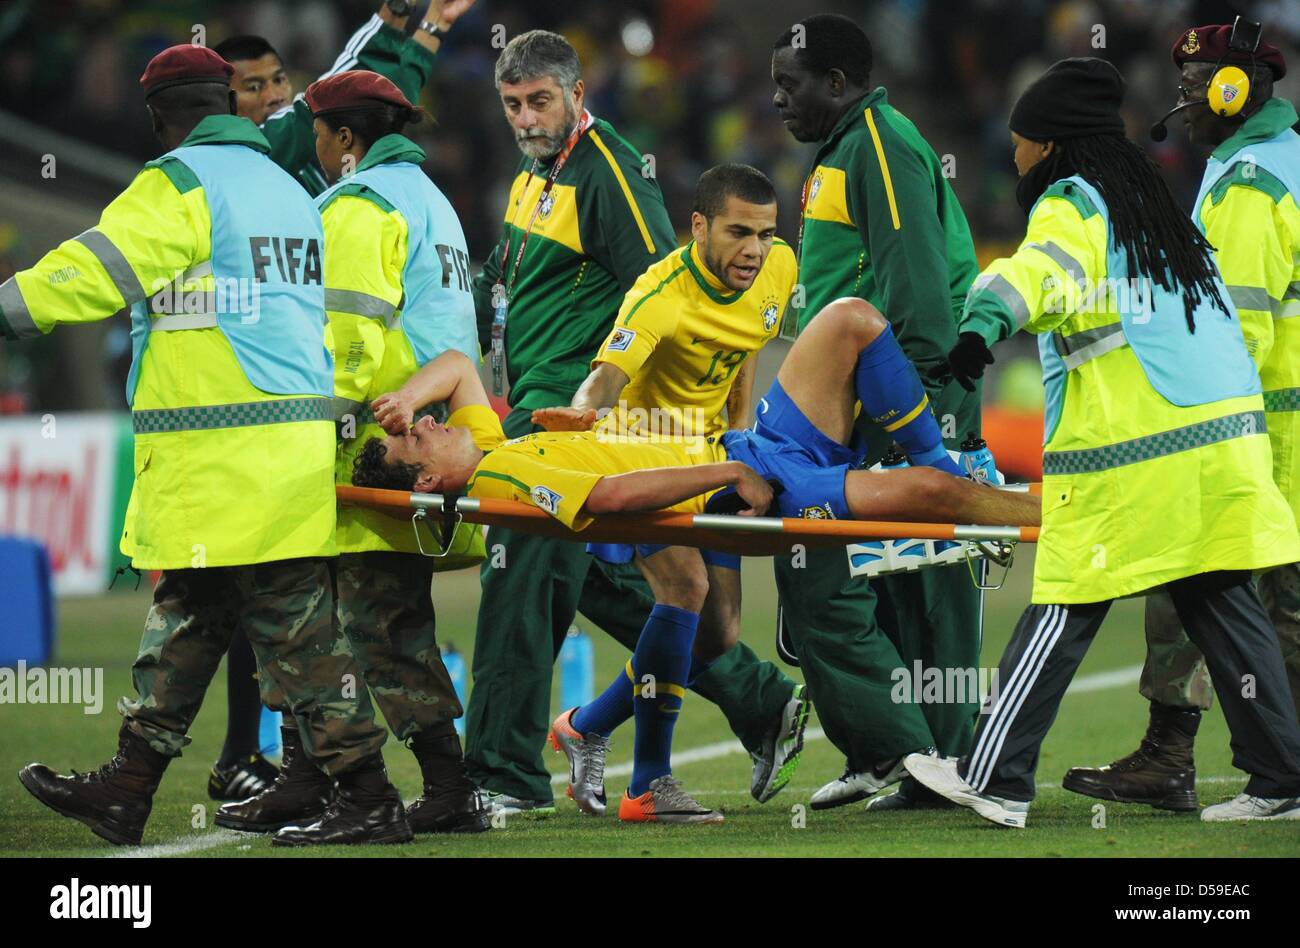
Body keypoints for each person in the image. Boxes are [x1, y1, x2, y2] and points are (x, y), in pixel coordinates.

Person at [353, 296, 1042, 821]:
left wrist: (406, 399)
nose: (428, 423)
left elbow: (456, 368)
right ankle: (1057, 514)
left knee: (850, 319)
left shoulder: (485, 441)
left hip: (745, 444)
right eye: (416, 439)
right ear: (425, 482)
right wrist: (721, 475)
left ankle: (601, 737)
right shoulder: (500, 480)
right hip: (738, 480)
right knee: (928, 495)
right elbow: (615, 494)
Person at [6, 46, 410, 847]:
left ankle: (368, 795)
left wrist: (10, 306)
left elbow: (97, 269)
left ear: (158, 116)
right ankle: (128, 785)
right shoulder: (292, 194)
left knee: (300, 636)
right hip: (284, 448)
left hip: (226, 459)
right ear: (225, 101)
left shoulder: (181, 183)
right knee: (190, 619)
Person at [907, 57, 1300, 828]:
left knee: (1062, 605)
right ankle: (1282, 774)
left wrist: (982, 325)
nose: (1013, 155)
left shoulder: (1073, 202)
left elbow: (1041, 270)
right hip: (1223, 442)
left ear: (1048, 145)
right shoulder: (1153, 206)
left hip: (1139, 453)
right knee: (1220, 598)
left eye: (1021, 141)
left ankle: (996, 775)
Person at [467, 30, 803, 815]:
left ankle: (505, 775)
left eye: (540, 101)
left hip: (582, 428)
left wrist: (666, 424)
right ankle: (757, 703)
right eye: (513, 105)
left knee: (520, 585)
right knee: (620, 585)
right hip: (544, 412)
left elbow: (680, 300)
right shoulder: (533, 176)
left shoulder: (610, 172)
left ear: (576, 95)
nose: (525, 118)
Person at [201, 0, 475, 803]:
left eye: (317, 133)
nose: (311, 149)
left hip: (366, 445)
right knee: (374, 627)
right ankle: (321, 778)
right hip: (425, 443)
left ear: (344, 138)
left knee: (342, 627)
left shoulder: (359, 206)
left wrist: (300, 434)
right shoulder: (430, 197)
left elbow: (345, 349)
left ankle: (388, 787)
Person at [1063, 21, 1300, 814]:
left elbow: (1238, 329)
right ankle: (1207, 762)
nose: (1184, 100)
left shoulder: (1249, 185)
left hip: (1264, 426)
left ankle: (1261, 774)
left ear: (1240, 87)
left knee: (1228, 590)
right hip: (1276, 422)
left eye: (1198, 83)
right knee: (1245, 594)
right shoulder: (1275, 163)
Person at [534, 163, 805, 817]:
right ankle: (648, 785)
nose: (755, 250)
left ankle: (587, 723)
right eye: (739, 232)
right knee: (685, 590)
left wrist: (738, 435)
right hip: (644, 456)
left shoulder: (779, 269)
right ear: (699, 227)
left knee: (716, 636)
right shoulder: (659, 296)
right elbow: (605, 376)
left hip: (711, 459)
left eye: (765, 233)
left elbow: (741, 352)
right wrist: (582, 411)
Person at [770, 13, 982, 812]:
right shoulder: (842, 149)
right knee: (873, 575)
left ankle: (945, 758)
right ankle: (884, 749)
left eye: (789, 85)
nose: (776, 100)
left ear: (835, 83)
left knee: (928, 577)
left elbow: (918, 285)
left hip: (911, 394)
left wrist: (912, 408)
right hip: (861, 398)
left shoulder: (881, 143)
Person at [216, 0, 475, 194]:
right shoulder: (244, 154)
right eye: (253, 87)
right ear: (224, 103)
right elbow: (338, 93)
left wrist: (435, 22)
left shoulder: (314, 152)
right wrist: (399, 7)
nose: (274, 95)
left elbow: (386, 103)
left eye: (279, 80)